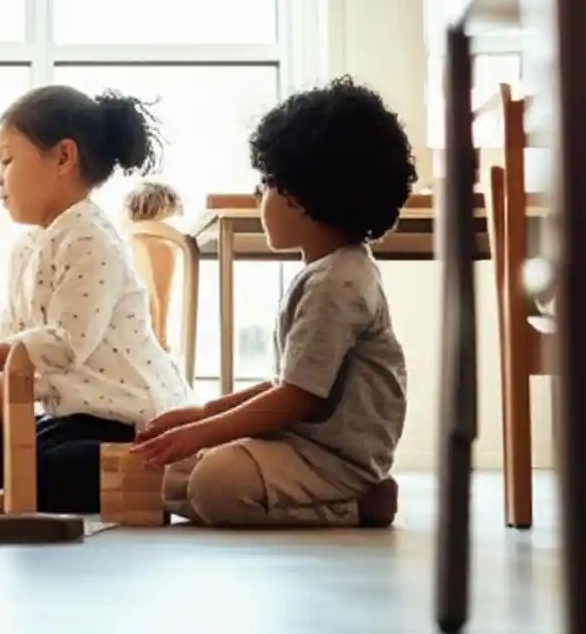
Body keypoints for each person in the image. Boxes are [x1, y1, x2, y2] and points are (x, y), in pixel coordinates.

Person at [131, 75, 415, 528]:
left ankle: (360, 502)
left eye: (265, 184)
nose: (257, 197)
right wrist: (203, 415)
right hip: (298, 444)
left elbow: (295, 398)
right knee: (171, 474)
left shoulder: (338, 283)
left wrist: (202, 431)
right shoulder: (328, 271)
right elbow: (287, 383)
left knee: (216, 484)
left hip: (332, 458)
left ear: (299, 198)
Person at [0, 84, 193, 514]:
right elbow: (16, 354)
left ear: (64, 158)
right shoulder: (26, 248)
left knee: (53, 468)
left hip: (128, 422)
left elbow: (63, 345)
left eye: (7, 160)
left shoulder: (90, 238)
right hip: (71, 420)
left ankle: (151, 480)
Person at [121, 180, 185, 350]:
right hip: (147, 347)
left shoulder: (124, 245)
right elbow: (158, 303)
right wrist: (162, 347)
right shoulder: (161, 246)